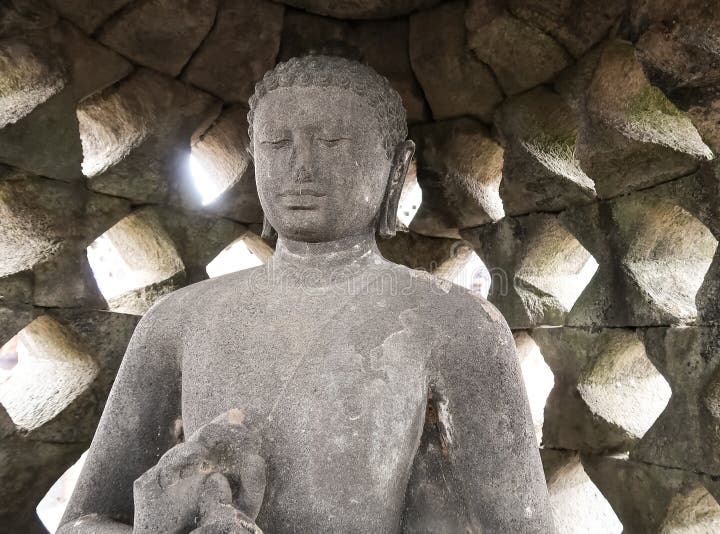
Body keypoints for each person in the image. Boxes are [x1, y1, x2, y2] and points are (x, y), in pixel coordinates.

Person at [59, 55, 554, 533]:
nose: (302, 168)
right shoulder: (178, 321)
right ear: (253, 160)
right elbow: (84, 522)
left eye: (334, 143)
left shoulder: (455, 324)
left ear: (397, 166)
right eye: (277, 144)